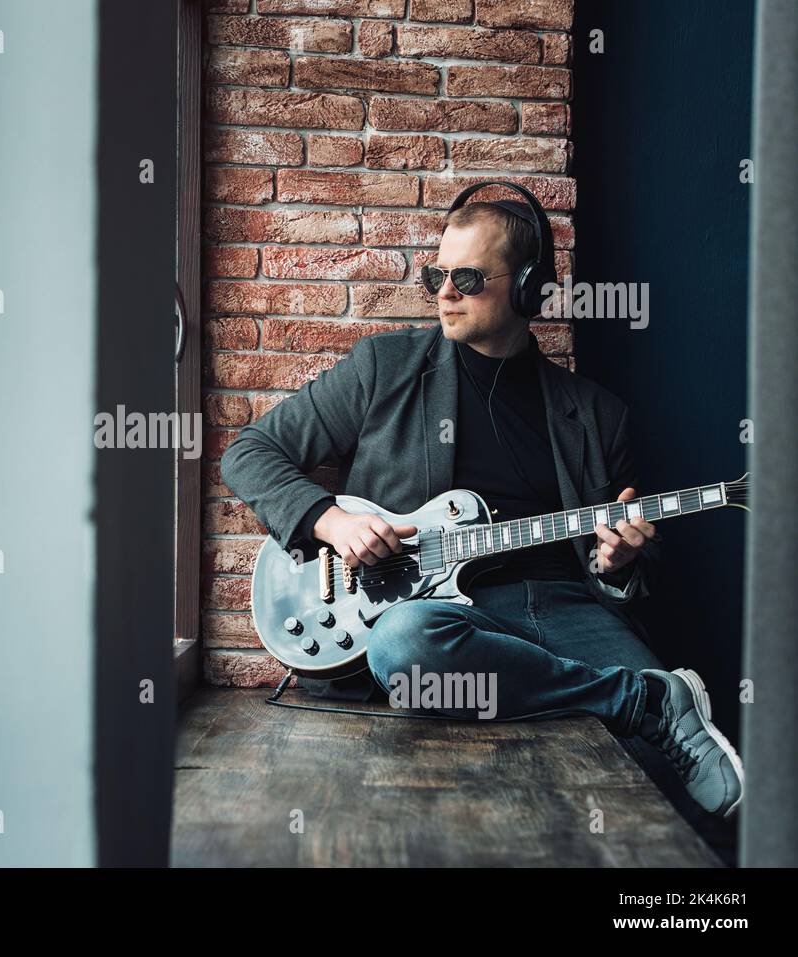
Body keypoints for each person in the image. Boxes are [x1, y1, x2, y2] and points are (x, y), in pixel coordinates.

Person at [219, 186, 744, 824]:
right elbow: (249, 452)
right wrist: (332, 520)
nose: (445, 291)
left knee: (666, 780)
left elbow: (627, 574)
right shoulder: (384, 367)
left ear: (528, 290)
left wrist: (621, 561)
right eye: (436, 275)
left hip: (563, 604)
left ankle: (657, 758)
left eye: (466, 277)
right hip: (434, 615)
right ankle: (640, 701)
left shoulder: (599, 416)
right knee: (403, 650)